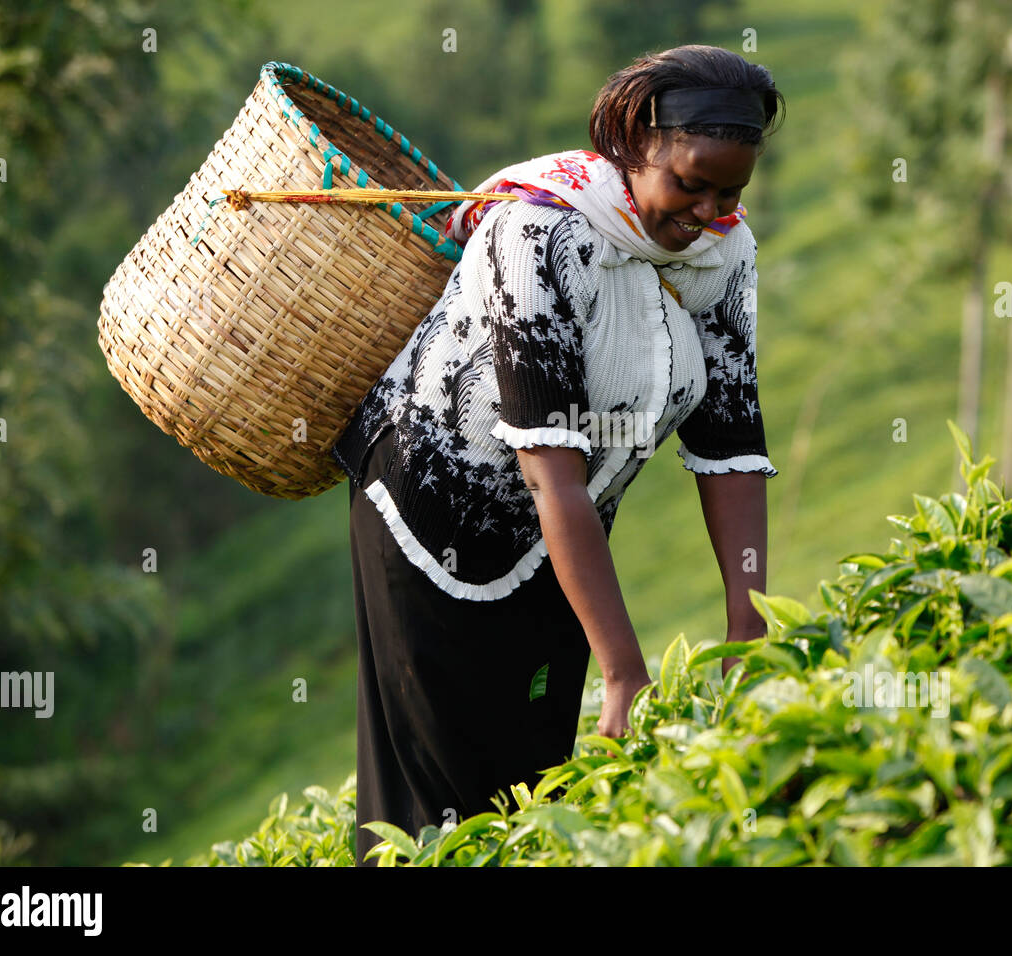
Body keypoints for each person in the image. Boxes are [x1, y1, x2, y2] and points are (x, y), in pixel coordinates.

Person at [332, 43, 786, 866]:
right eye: (691, 183)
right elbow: (551, 467)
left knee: (539, 778)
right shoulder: (535, 231)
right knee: (436, 810)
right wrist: (622, 668)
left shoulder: (726, 253)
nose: (709, 209)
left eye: (731, 191)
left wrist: (751, 629)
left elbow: (732, 445)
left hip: (561, 533)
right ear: (637, 142)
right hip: (428, 514)